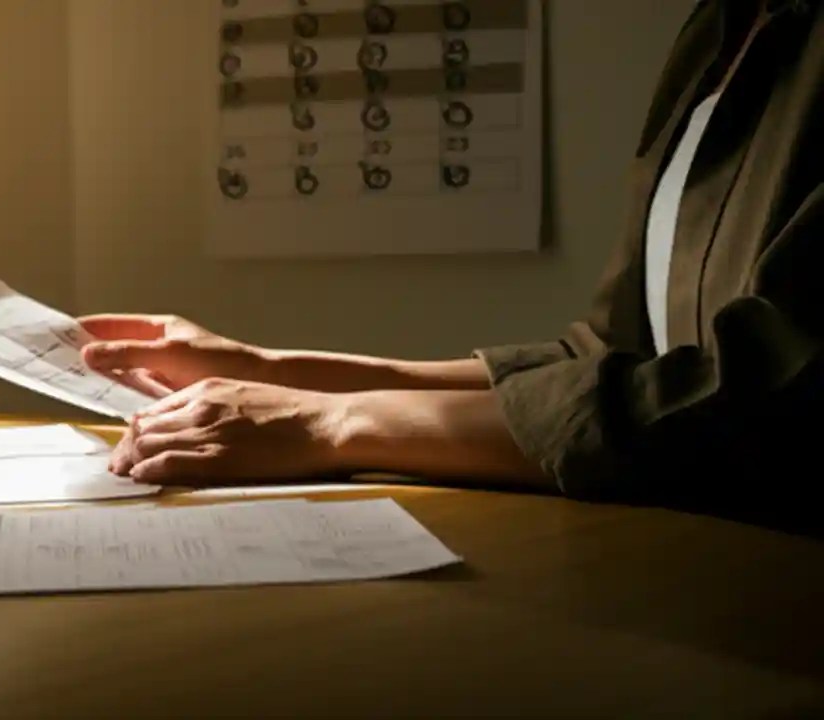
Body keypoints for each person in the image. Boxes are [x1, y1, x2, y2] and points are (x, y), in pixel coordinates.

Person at [79, 0, 823, 523]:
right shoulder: (718, 28)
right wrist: (272, 368)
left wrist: (334, 422)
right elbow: (613, 354)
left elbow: (769, 400)